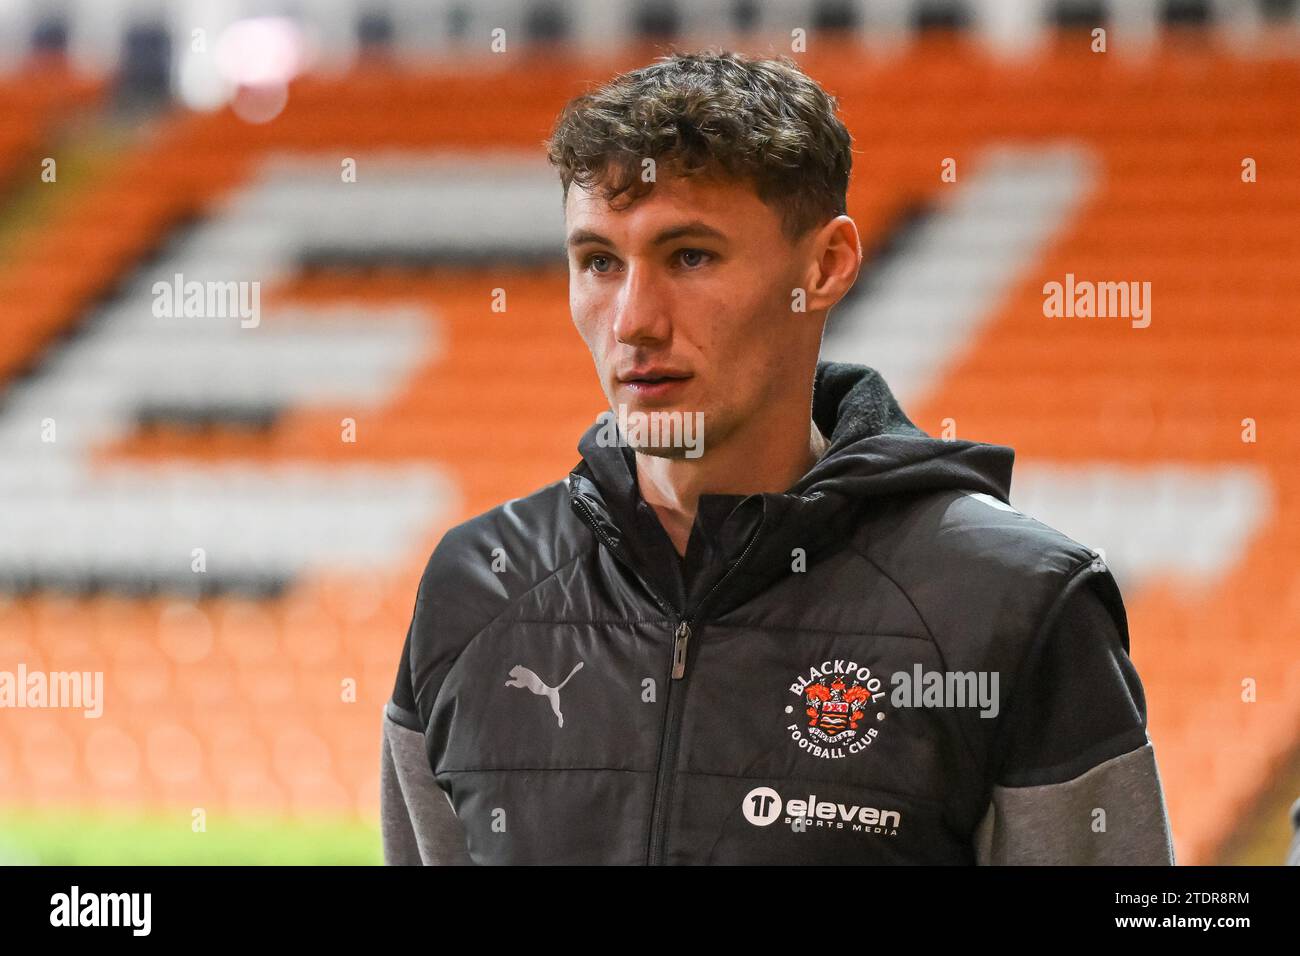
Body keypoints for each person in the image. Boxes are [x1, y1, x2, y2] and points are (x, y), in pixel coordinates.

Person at [379, 49, 1176, 865]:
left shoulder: (1012, 607)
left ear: (826, 266)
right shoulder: (475, 588)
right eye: (600, 263)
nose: (633, 322)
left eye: (690, 256)